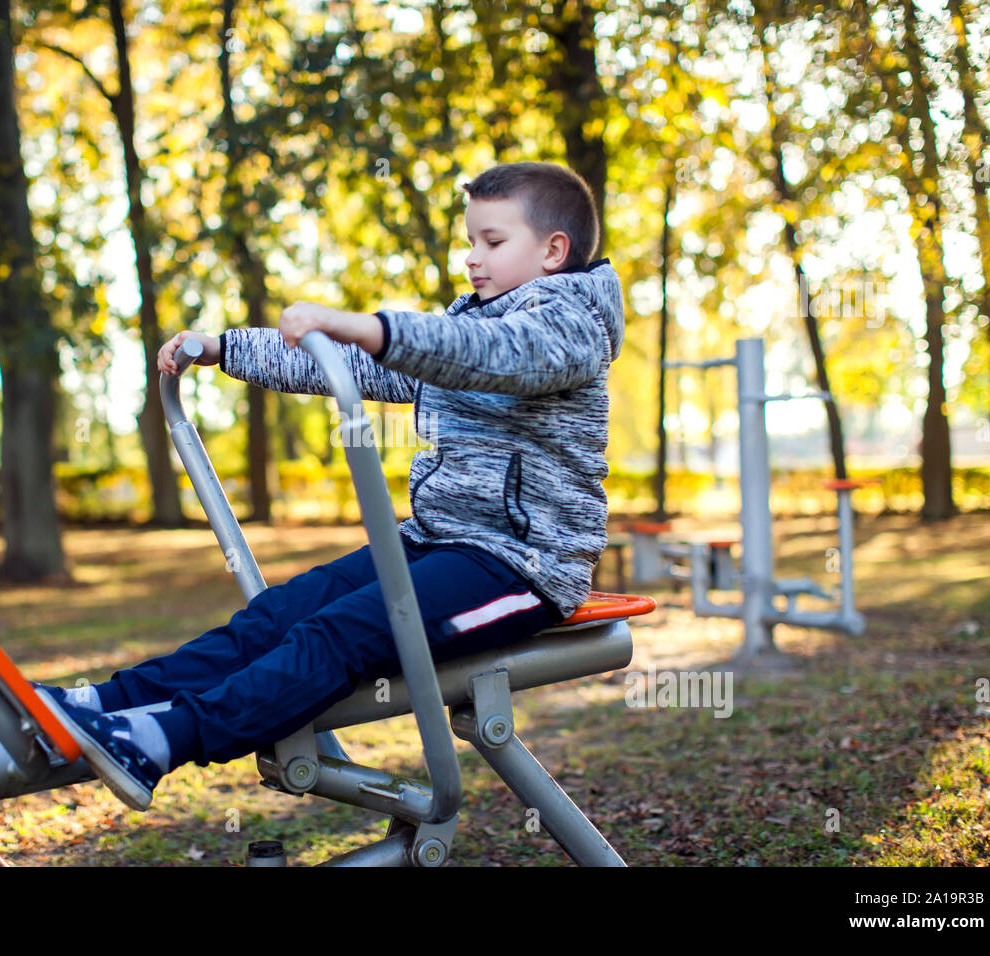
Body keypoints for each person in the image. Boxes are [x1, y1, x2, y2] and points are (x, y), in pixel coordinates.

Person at [36, 160, 626, 810]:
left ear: (553, 250)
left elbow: (495, 356)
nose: (471, 260)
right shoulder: (472, 323)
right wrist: (226, 348)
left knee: (338, 634)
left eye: (492, 242)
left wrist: (369, 324)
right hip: (435, 542)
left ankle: (161, 738)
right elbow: (353, 361)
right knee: (278, 615)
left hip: (521, 569)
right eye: (469, 241)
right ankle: (107, 703)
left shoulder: (572, 328)